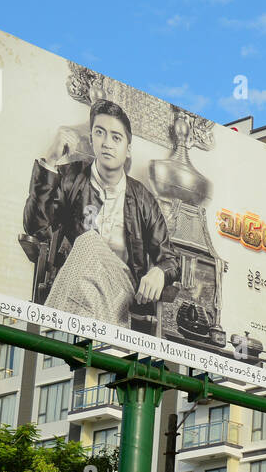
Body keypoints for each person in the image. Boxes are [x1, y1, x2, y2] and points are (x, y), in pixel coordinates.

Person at [22, 99, 181, 326]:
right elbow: (35, 227)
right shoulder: (71, 178)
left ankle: (53, 331)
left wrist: (160, 272)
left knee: (89, 242)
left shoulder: (143, 198)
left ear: (128, 149)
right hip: (73, 282)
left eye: (116, 137)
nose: (107, 143)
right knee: (88, 244)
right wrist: (51, 160)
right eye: (100, 133)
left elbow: (170, 259)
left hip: (122, 291)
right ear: (91, 139)